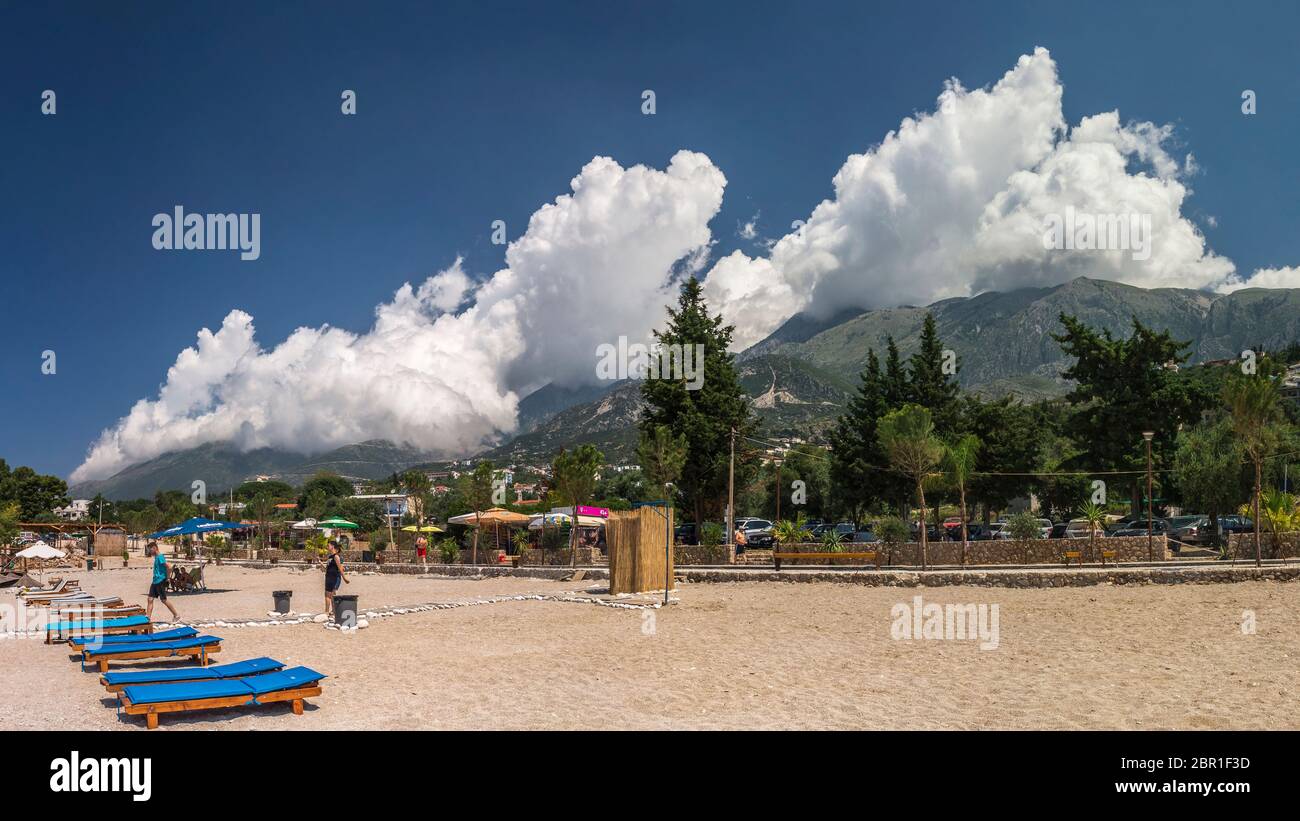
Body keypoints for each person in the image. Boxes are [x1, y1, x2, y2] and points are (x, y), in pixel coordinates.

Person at [145, 542, 179, 622]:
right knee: (150, 599)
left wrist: (167, 578)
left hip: (160, 580)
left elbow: (169, 567)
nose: (150, 552)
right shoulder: (157, 557)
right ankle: (147, 617)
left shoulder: (160, 557)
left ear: (154, 548)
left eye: (150, 549)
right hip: (155, 581)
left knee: (164, 600)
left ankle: (176, 615)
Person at [324, 540, 349, 619]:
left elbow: (340, 568)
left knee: (330, 595)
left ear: (333, 546)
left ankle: (329, 611)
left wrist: (345, 579)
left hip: (333, 577)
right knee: (329, 595)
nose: (328, 547)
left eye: (329, 545)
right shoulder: (330, 557)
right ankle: (330, 611)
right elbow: (327, 568)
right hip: (328, 577)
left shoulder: (336, 556)